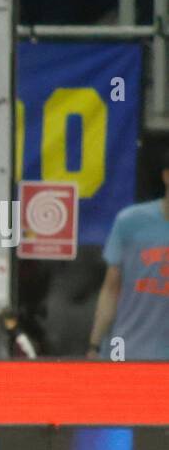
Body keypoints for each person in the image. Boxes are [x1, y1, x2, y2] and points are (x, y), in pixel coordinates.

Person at [87, 149, 169, 360]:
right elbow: (111, 288)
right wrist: (94, 346)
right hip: (126, 350)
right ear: (166, 176)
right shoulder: (130, 222)